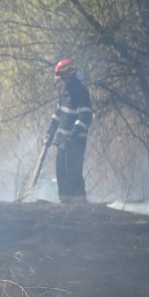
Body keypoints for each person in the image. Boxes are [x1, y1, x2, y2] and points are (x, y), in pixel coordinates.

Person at [48, 59, 92, 203]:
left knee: (72, 172)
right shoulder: (65, 91)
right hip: (63, 141)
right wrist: (50, 133)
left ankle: (79, 204)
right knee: (61, 172)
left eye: (62, 77)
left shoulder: (80, 91)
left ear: (68, 74)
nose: (61, 80)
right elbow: (58, 114)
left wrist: (73, 135)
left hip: (75, 141)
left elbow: (85, 116)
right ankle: (65, 203)